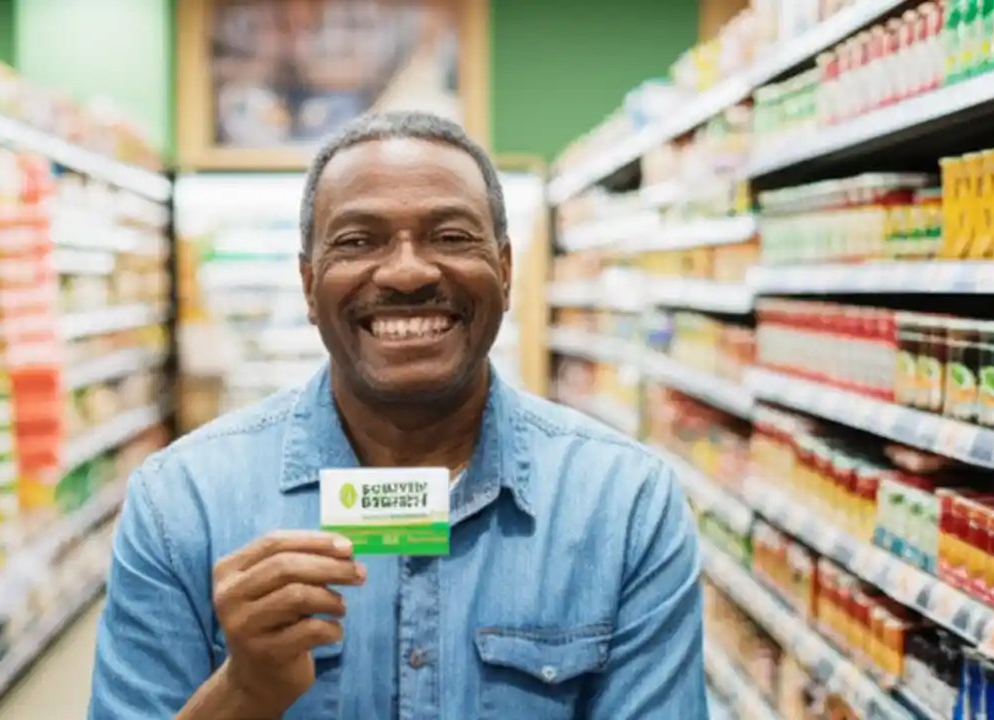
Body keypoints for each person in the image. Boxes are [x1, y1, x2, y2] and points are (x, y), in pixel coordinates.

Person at [88, 111, 707, 719]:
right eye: (358, 241)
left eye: (451, 236)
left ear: (507, 270)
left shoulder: (626, 504)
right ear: (309, 285)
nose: (407, 271)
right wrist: (244, 692)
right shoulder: (180, 504)